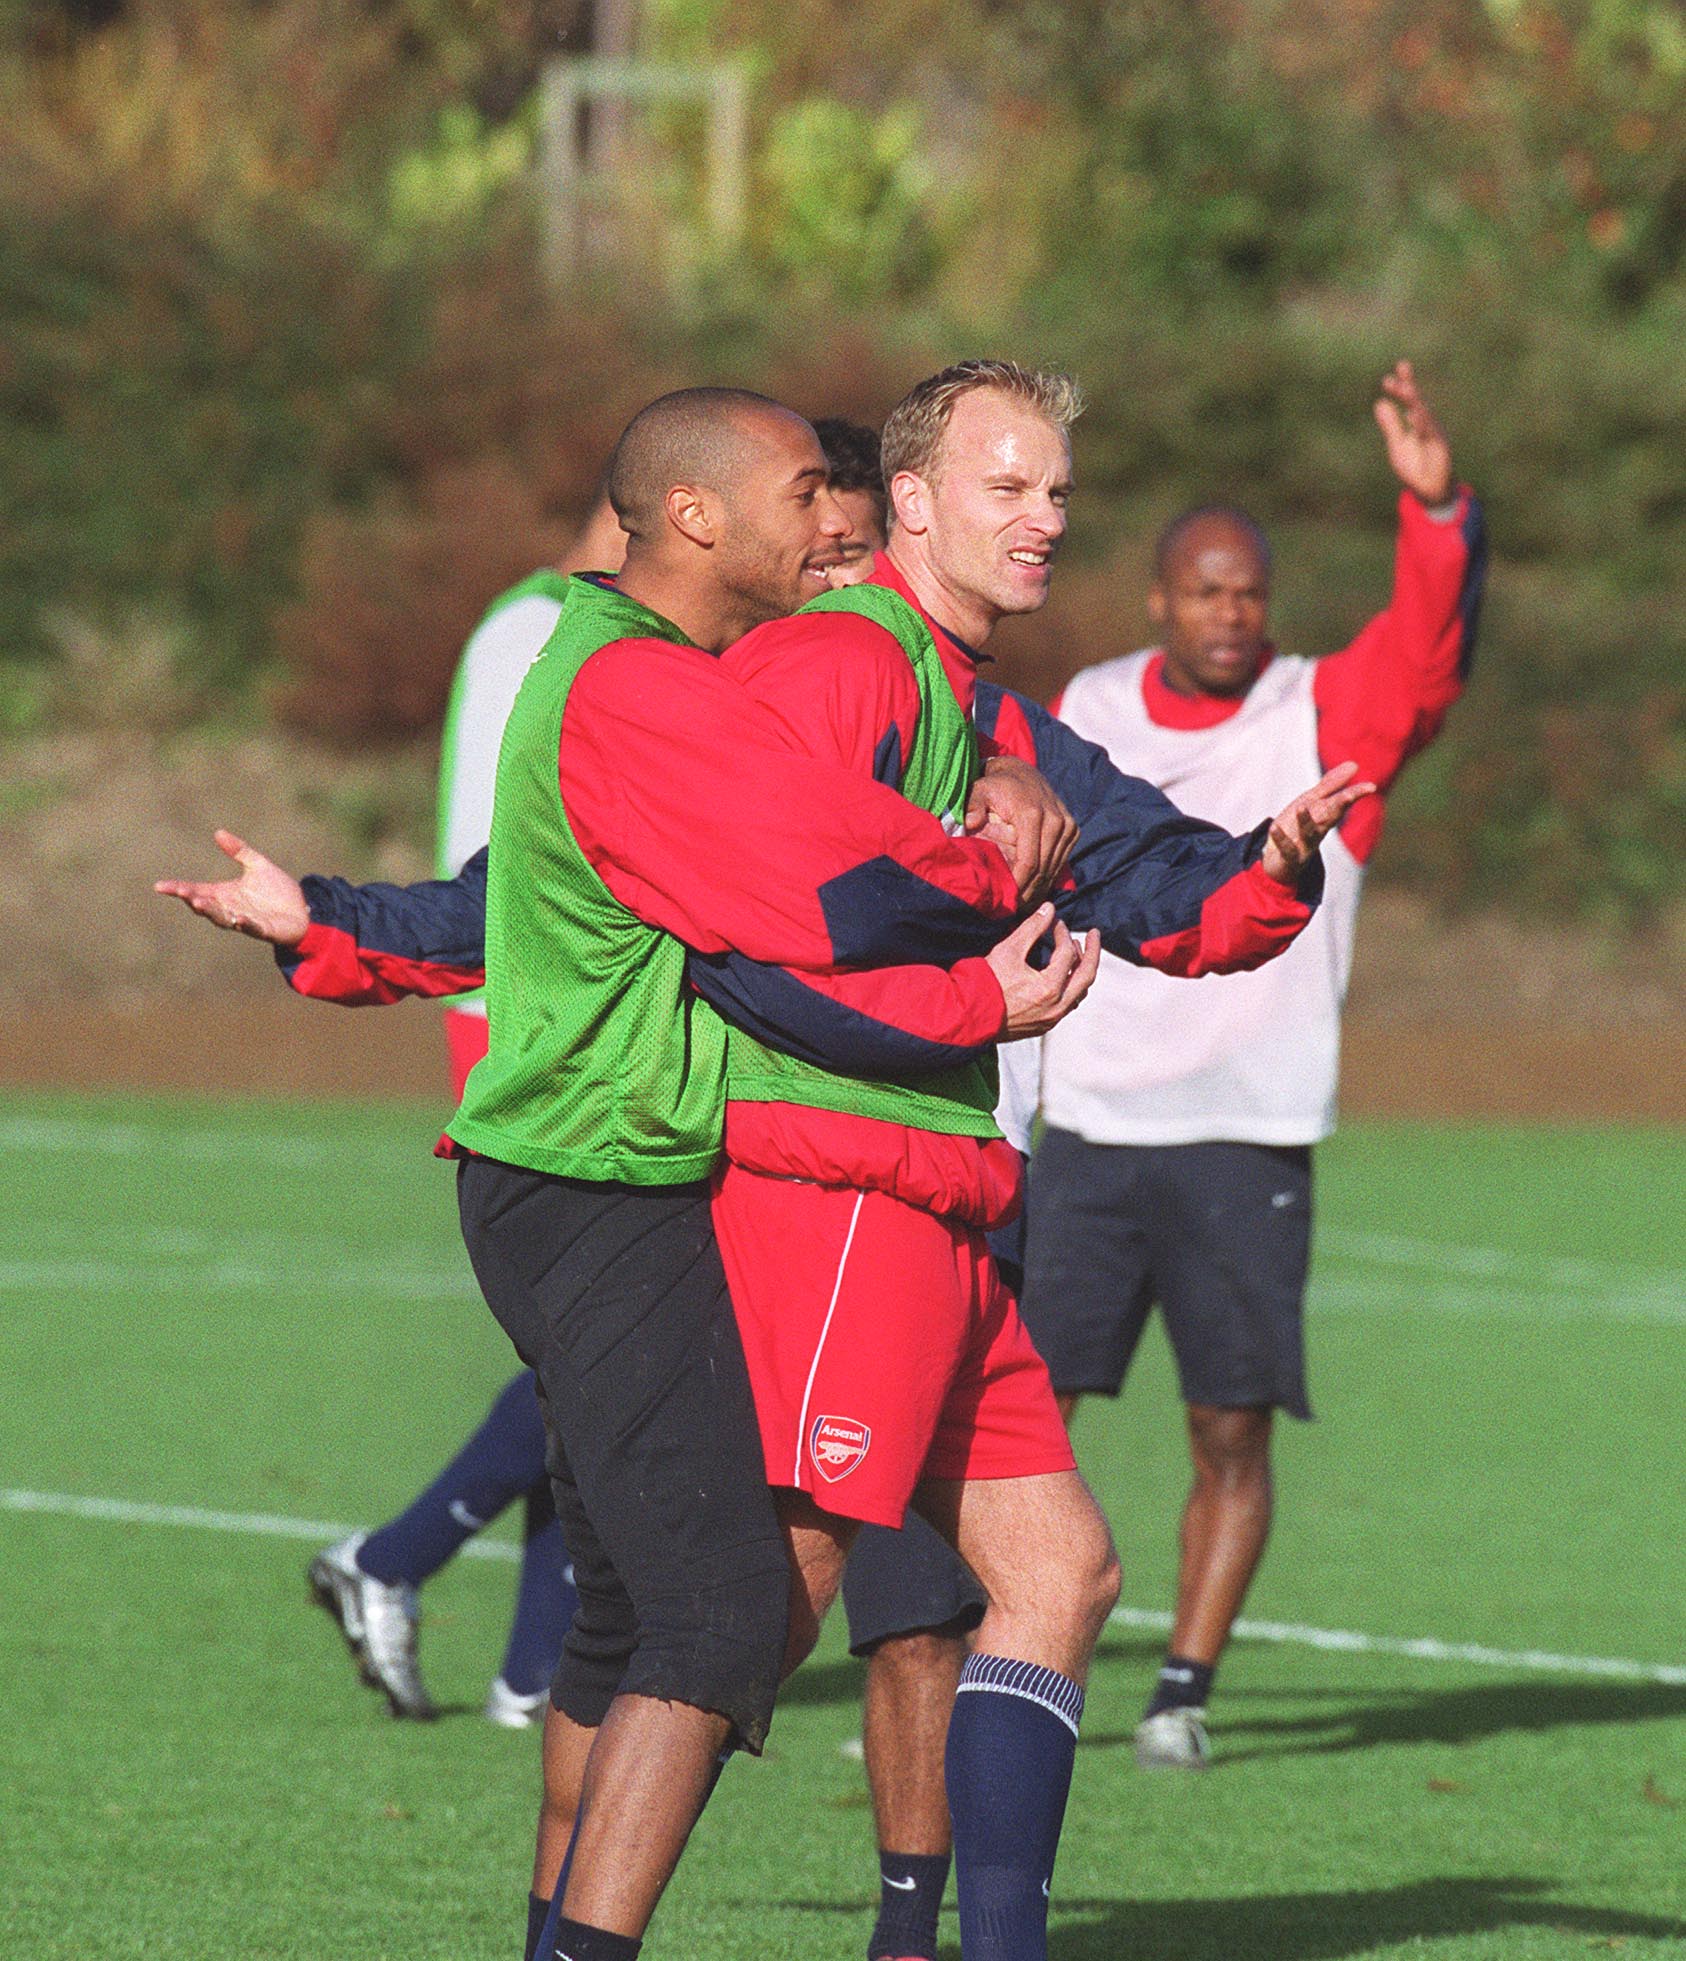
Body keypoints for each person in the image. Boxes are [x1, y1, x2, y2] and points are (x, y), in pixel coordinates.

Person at [194, 364, 1374, 1961]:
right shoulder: (820, 666)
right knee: (732, 1615)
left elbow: (1149, 872)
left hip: (947, 1201)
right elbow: (688, 904)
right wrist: (338, 928)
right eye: (1008, 487)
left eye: (1057, 493)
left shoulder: (974, 705)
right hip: (832, 1197)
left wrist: (1263, 870)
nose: (1045, 519)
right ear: (911, 504)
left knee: (1052, 1572)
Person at [1017, 359, 1488, 1772]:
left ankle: (1178, 1688)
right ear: (1159, 601)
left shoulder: (1318, 713)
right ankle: (987, 1662)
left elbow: (1422, 655)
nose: (1230, 612)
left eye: (1247, 592)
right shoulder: (1089, 705)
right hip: (1090, 1122)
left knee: (1227, 1426)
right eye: (1203, 590)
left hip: (1244, 1131)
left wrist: (1435, 510)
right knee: (1020, 1415)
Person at [304, 494, 624, 1728]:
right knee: (591, 1347)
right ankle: (393, 1560)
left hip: (541, 1002)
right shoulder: (540, 630)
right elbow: (521, 850)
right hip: (525, 1012)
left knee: (584, 1350)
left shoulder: (566, 627)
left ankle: (531, 1660)